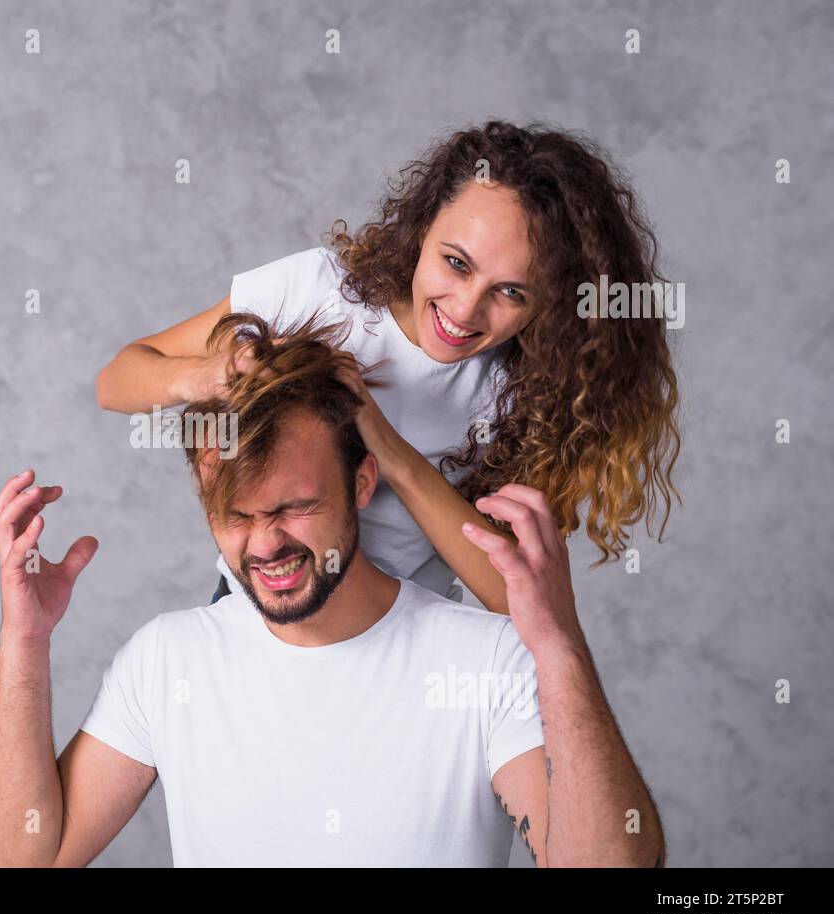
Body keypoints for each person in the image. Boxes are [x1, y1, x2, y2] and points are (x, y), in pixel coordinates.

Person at [0, 315, 665, 867]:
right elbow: (24, 861)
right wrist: (25, 640)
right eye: (236, 515)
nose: (266, 543)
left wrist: (560, 648)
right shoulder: (168, 661)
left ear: (362, 482)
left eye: (293, 507)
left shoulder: (486, 661)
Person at [95, 119, 681, 614]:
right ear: (424, 227)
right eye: (456, 263)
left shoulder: (528, 392)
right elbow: (117, 379)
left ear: (550, 302)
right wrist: (205, 376)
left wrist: (386, 445)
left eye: (512, 293)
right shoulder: (316, 291)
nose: (465, 308)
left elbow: (516, 594)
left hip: (405, 645)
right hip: (252, 616)